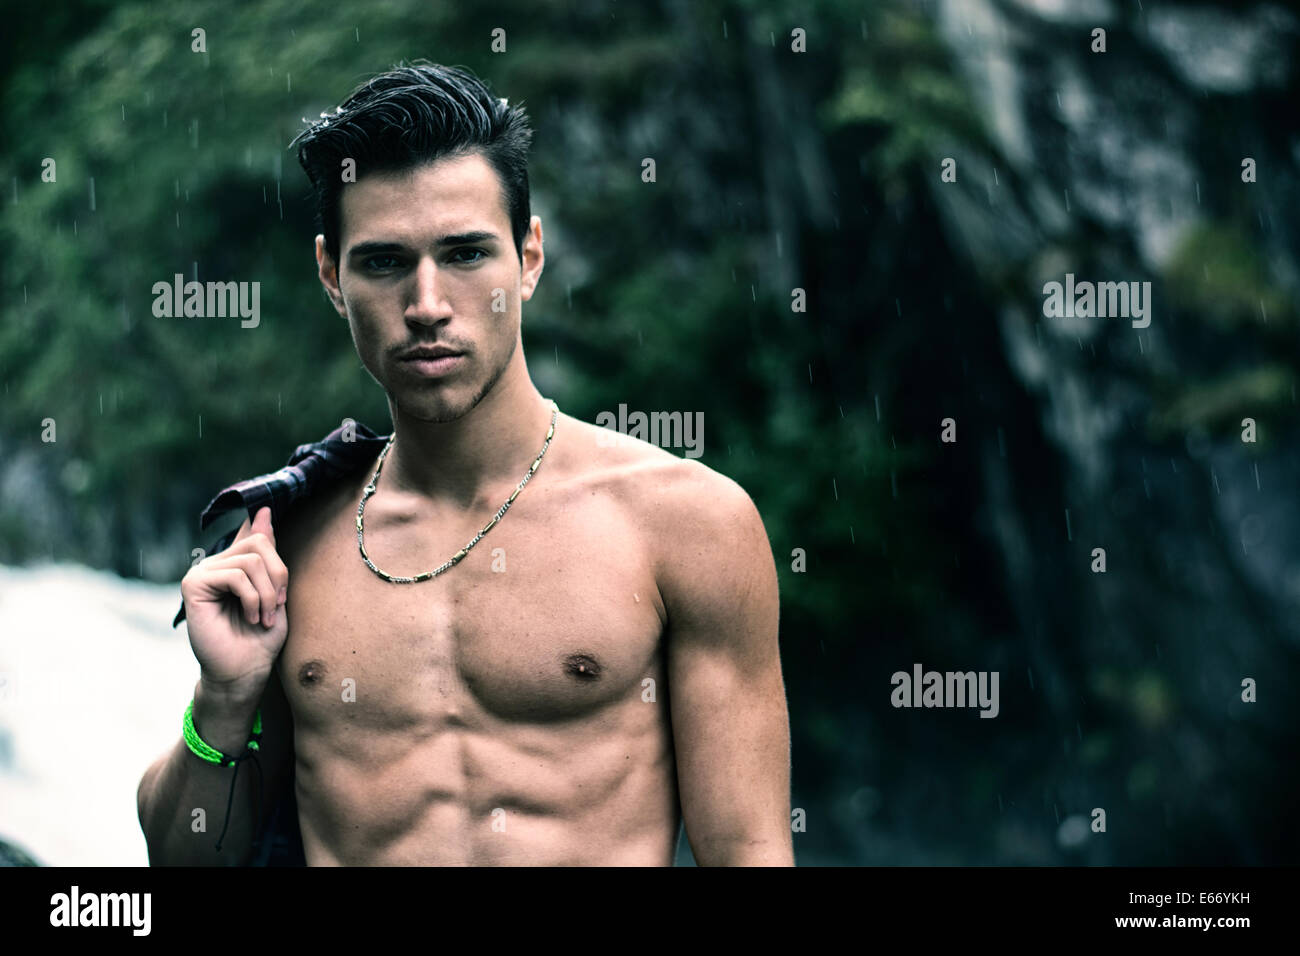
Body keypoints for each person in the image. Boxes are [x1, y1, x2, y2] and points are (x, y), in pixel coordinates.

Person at [137, 62, 792, 866]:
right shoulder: (289, 545)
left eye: (465, 254)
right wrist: (225, 701)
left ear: (530, 257)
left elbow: (752, 853)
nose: (427, 304)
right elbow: (182, 861)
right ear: (329, 276)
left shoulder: (687, 525)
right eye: (382, 262)